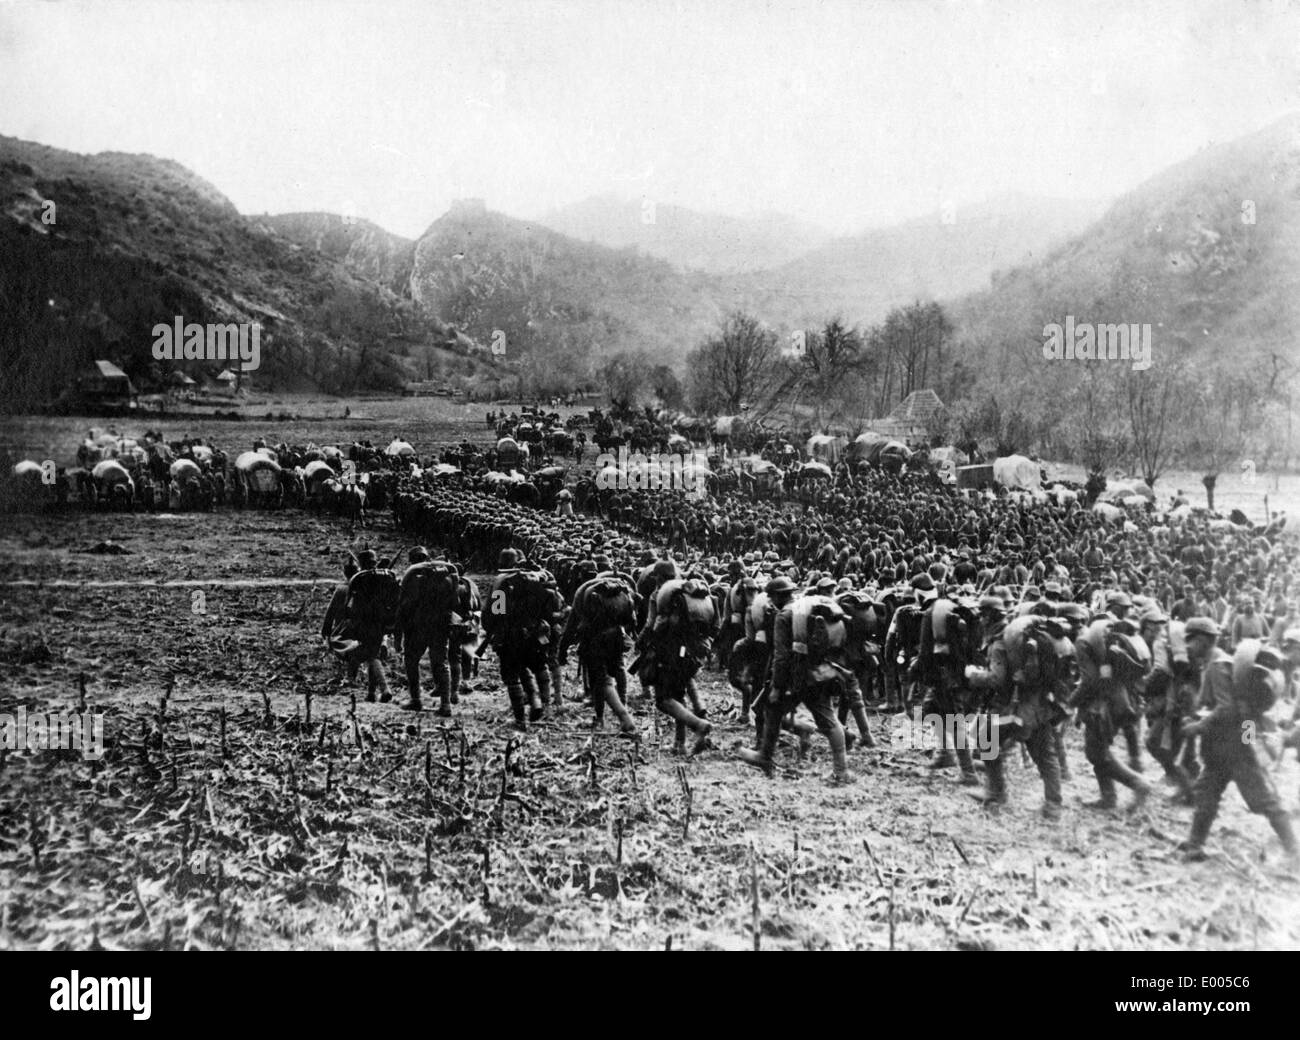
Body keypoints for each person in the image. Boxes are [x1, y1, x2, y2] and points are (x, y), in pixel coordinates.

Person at [1178, 630, 1298, 864]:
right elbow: (1235, 711)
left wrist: (1198, 727)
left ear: (1202, 641)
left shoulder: (1217, 665)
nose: (1188, 648)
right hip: (1235, 737)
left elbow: (1226, 709)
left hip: (1231, 741)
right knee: (1207, 791)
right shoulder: (1225, 664)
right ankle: (1195, 844)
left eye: (1191, 642)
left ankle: (1294, 847)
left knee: (1261, 796)